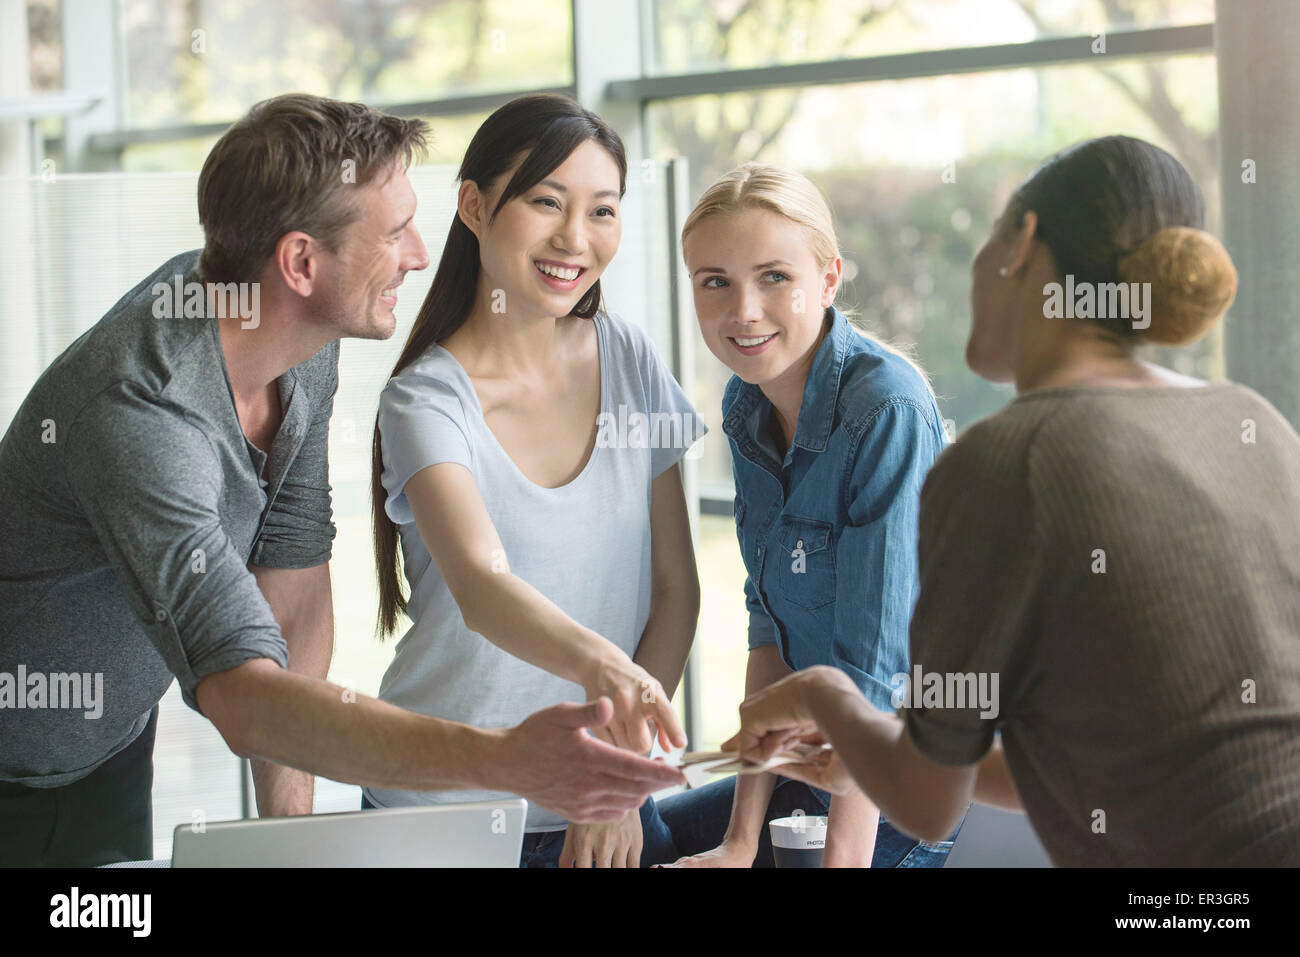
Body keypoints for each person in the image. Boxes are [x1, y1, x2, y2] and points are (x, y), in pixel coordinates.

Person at [0, 93, 685, 868]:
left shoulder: (298, 334)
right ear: (300, 262)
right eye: (394, 232)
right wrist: (505, 760)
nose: (420, 254)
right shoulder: (140, 412)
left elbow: (287, 586)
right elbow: (245, 696)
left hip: (107, 744)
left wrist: (292, 845)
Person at [725, 135, 1300, 867]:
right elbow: (1157, 760)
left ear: (1021, 243)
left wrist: (825, 697)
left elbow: (927, 800)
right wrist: (876, 752)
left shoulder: (1009, 458)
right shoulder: (1254, 422)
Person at [364, 93, 705, 868]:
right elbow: (485, 587)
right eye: (546, 201)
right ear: (475, 206)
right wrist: (605, 669)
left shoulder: (628, 359)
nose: (574, 239)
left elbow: (676, 590)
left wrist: (616, 779)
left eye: (602, 211)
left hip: (606, 810)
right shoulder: (424, 399)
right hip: (439, 818)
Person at [647, 163, 962, 868]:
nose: (743, 312)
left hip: (901, 797)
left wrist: (840, 863)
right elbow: (771, 639)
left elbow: (874, 677)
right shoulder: (744, 407)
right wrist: (738, 840)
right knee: (646, 844)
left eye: (774, 277)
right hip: (810, 781)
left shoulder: (887, 410)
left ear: (828, 278)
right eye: (715, 282)